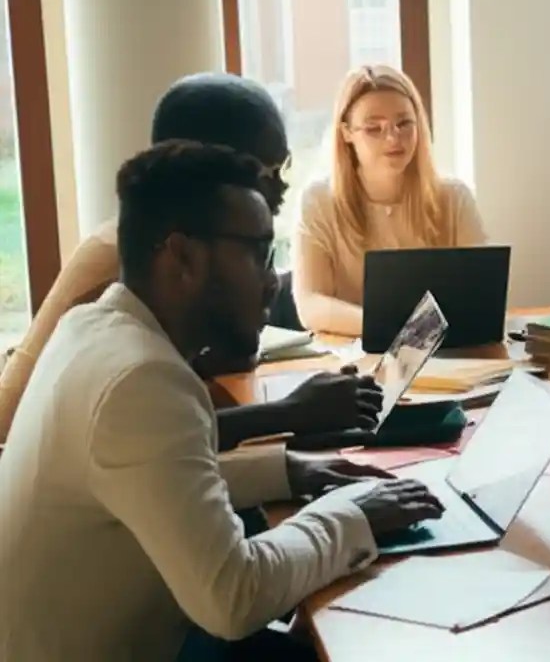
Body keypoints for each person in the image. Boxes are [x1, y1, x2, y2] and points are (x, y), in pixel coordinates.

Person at [0, 141, 445, 661]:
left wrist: (286, 471)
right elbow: (234, 597)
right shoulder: (142, 379)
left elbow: (158, 483)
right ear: (183, 257)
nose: (271, 282)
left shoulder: (93, 326)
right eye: (259, 252)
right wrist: (354, 515)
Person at [0, 72, 383, 450]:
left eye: (284, 167)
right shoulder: (128, 261)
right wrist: (291, 411)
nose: (281, 188)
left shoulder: (155, 240)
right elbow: (154, 430)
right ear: (206, 168)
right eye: (264, 171)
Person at [292, 64, 486, 337]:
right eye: (374, 128)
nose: (394, 138)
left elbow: (481, 294)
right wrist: (394, 327)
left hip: (447, 356)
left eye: (405, 123)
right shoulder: (319, 200)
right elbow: (310, 305)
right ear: (347, 132)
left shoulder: (454, 197)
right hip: (352, 360)